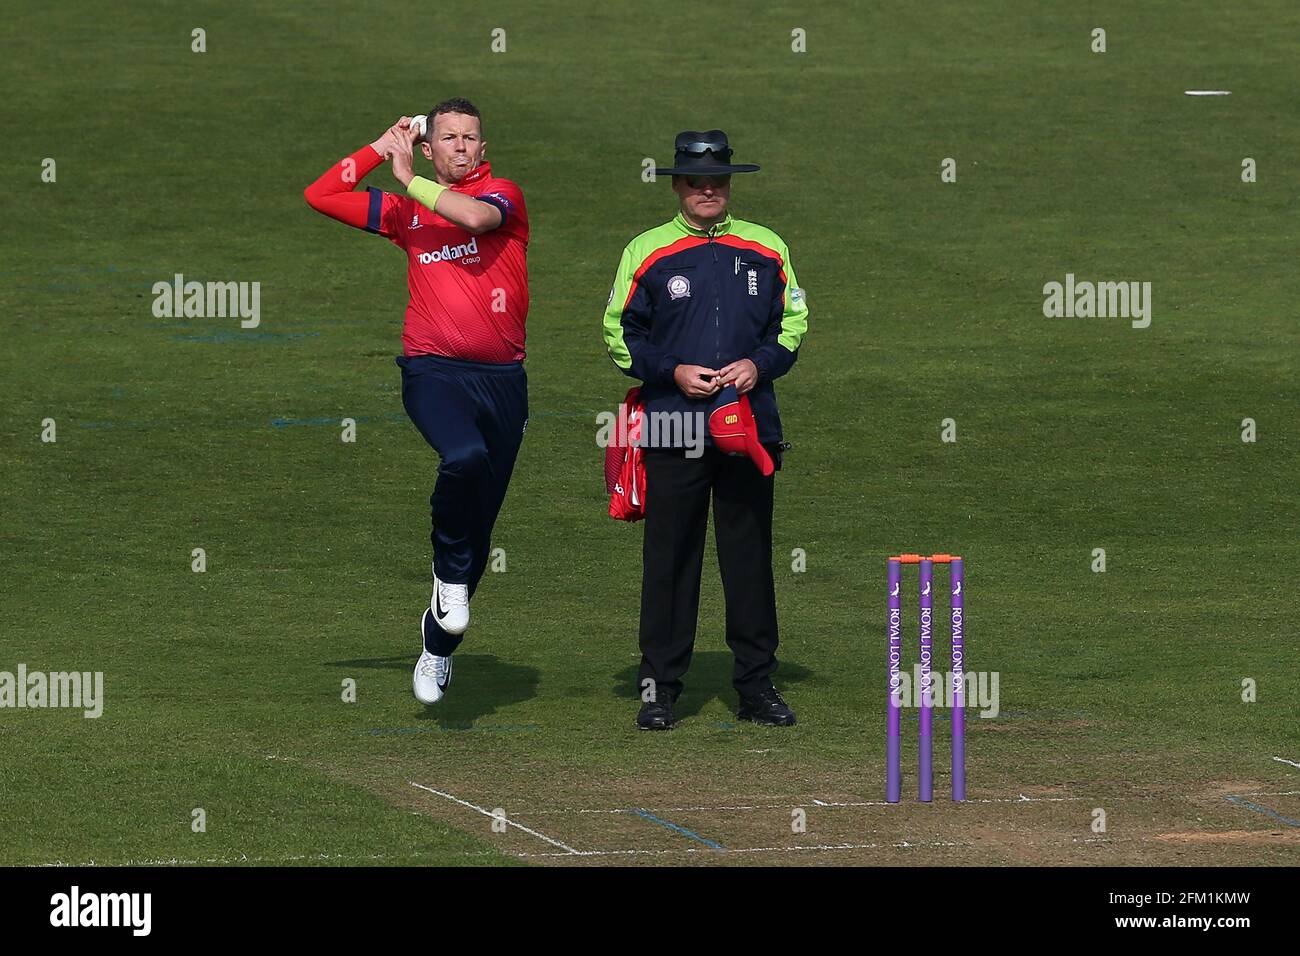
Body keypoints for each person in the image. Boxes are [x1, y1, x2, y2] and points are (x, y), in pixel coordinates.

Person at [304, 98, 530, 705]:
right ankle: (448, 577)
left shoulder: (502, 196)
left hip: (503, 382)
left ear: (483, 149)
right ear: (429, 148)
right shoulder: (407, 212)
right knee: (462, 455)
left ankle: (437, 645)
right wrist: (379, 149)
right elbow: (321, 194)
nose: (461, 146)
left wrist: (408, 177)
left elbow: (475, 219)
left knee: (479, 528)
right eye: (449, 137)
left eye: (470, 138)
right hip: (433, 371)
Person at [602, 130, 809, 730]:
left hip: (749, 424)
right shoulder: (646, 250)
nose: (708, 190)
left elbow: (792, 323)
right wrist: (673, 371)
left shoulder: (767, 246)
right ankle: (660, 691)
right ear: (678, 186)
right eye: (696, 180)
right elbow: (620, 334)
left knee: (749, 556)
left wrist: (758, 366)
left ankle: (756, 687)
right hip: (674, 425)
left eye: (717, 180)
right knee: (670, 558)